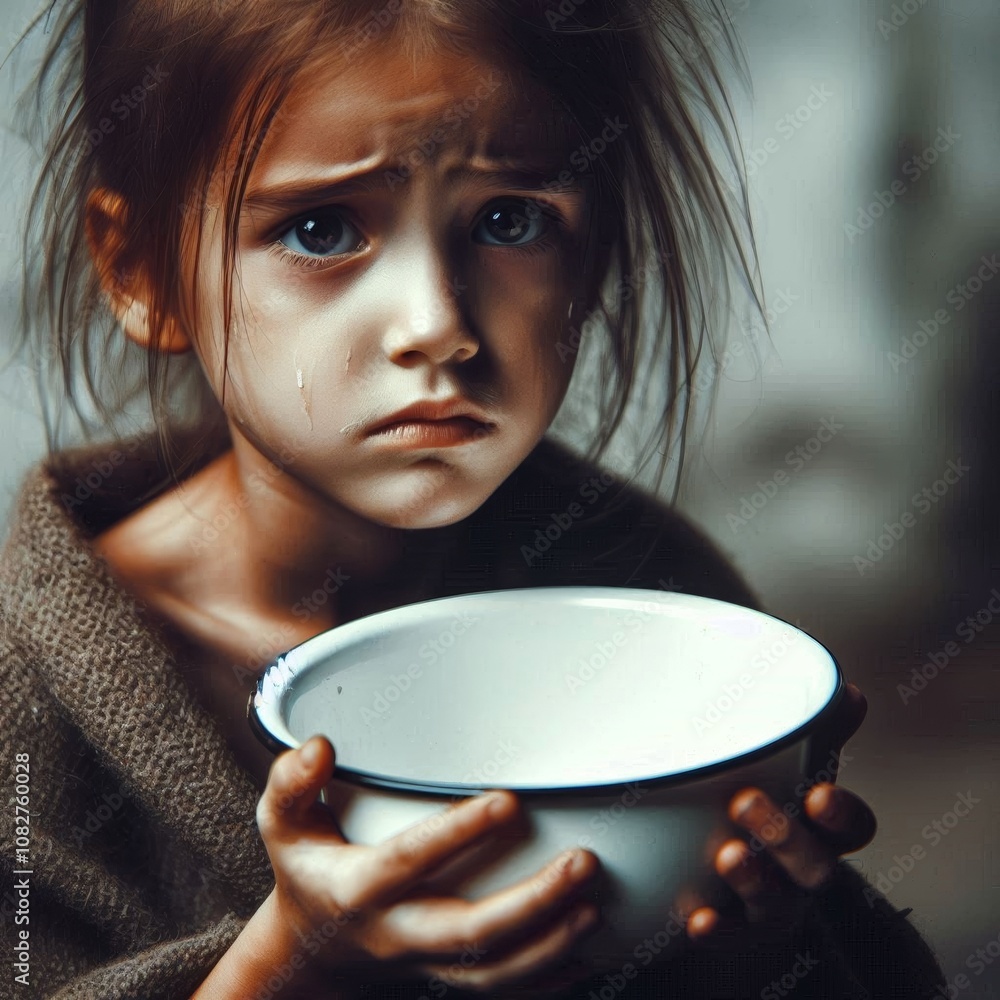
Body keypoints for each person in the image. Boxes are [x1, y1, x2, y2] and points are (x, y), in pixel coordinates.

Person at [0, 0, 949, 997]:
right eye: (322, 229)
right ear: (139, 265)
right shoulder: (27, 711)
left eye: (509, 220)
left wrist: (749, 944)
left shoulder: (650, 597)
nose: (436, 324)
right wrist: (291, 963)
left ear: (598, 249)